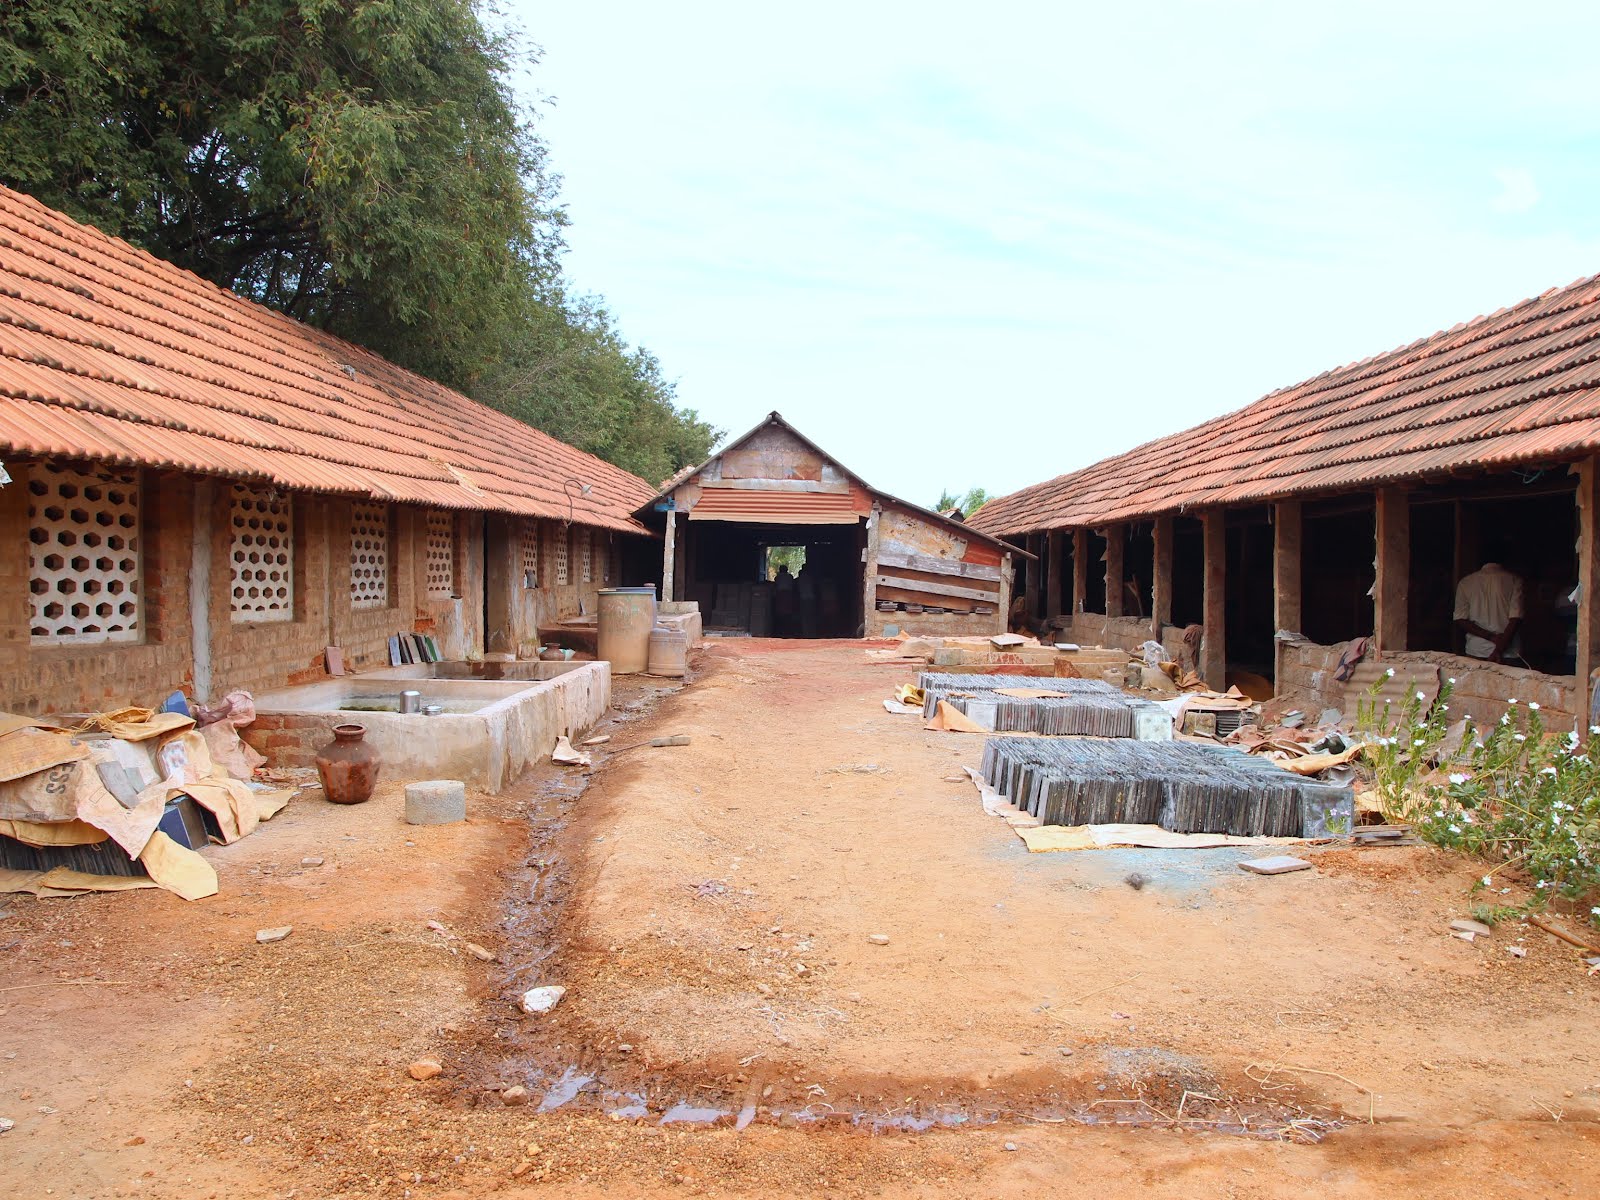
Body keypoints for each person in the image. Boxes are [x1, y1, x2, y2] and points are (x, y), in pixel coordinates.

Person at [1454, 552, 1524, 663]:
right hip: (1508, 652)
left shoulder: (1465, 582)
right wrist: (1498, 650)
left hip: (1477, 650)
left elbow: (1460, 619)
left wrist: (1491, 637)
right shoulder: (1514, 580)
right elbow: (1516, 618)